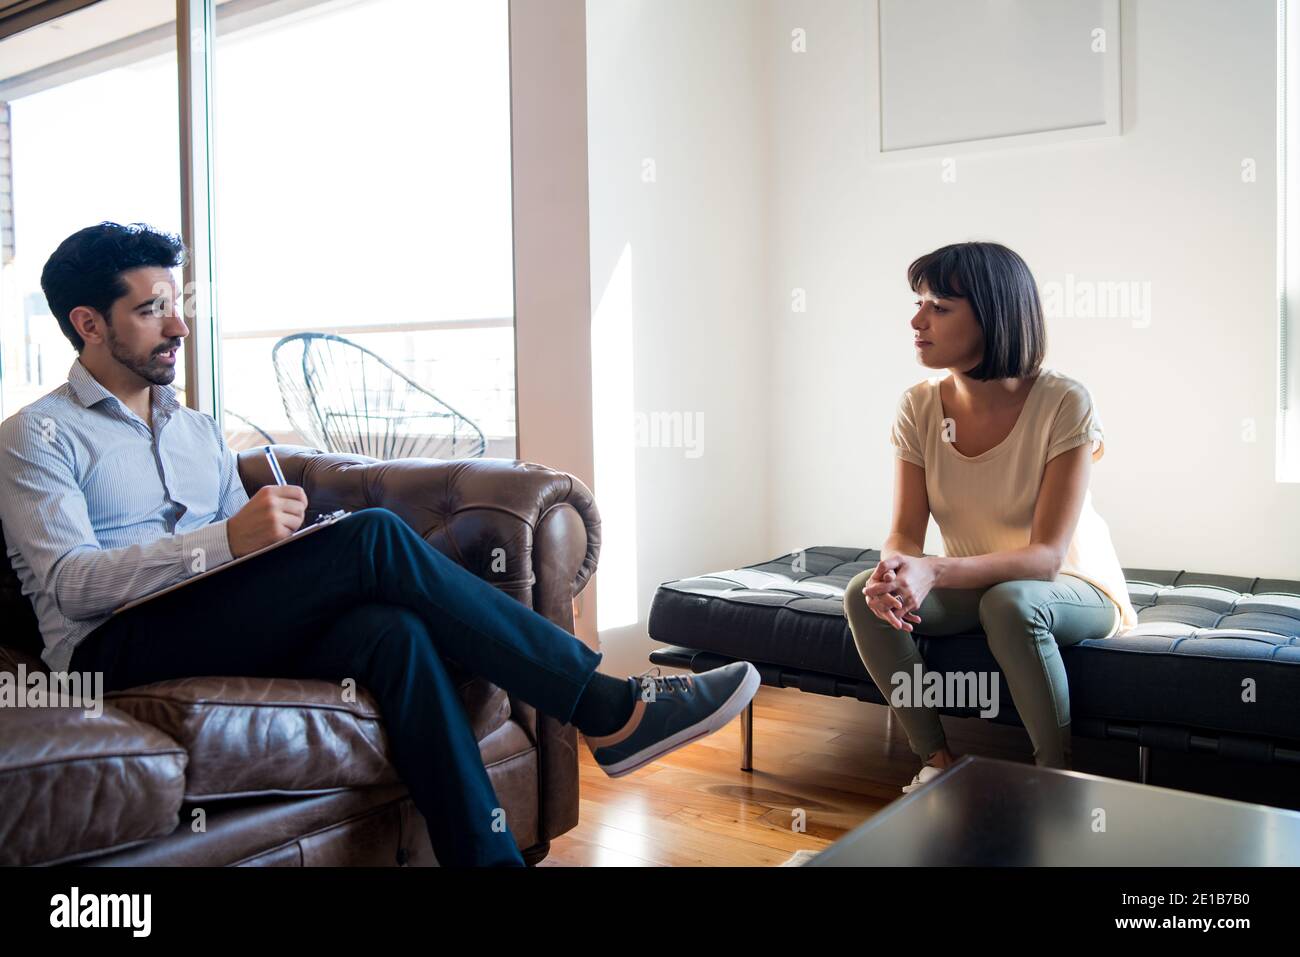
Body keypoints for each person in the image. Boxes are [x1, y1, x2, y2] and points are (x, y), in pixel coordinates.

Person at [0, 221, 760, 867]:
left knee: (391, 633)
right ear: (89, 323)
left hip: (210, 623)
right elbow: (70, 582)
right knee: (371, 539)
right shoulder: (37, 435)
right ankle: (606, 705)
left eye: (177, 305)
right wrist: (227, 541)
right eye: (151, 309)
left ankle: (488, 859)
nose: (179, 326)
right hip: (111, 648)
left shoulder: (198, 427)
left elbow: (243, 559)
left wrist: (269, 542)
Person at [843, 241, 1136, 792]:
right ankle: (936, 761)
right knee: (865, 590)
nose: (917, 320)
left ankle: (1056, 778)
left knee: (1011, 601)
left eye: (939, 307)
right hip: (981, 584)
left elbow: (1046, 559)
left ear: (993, 314)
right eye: (918, 302)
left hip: (1073, 587)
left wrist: (935, 570)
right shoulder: (919, 406)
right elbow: (905, 530)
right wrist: (897, 571)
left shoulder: (1063, 402)